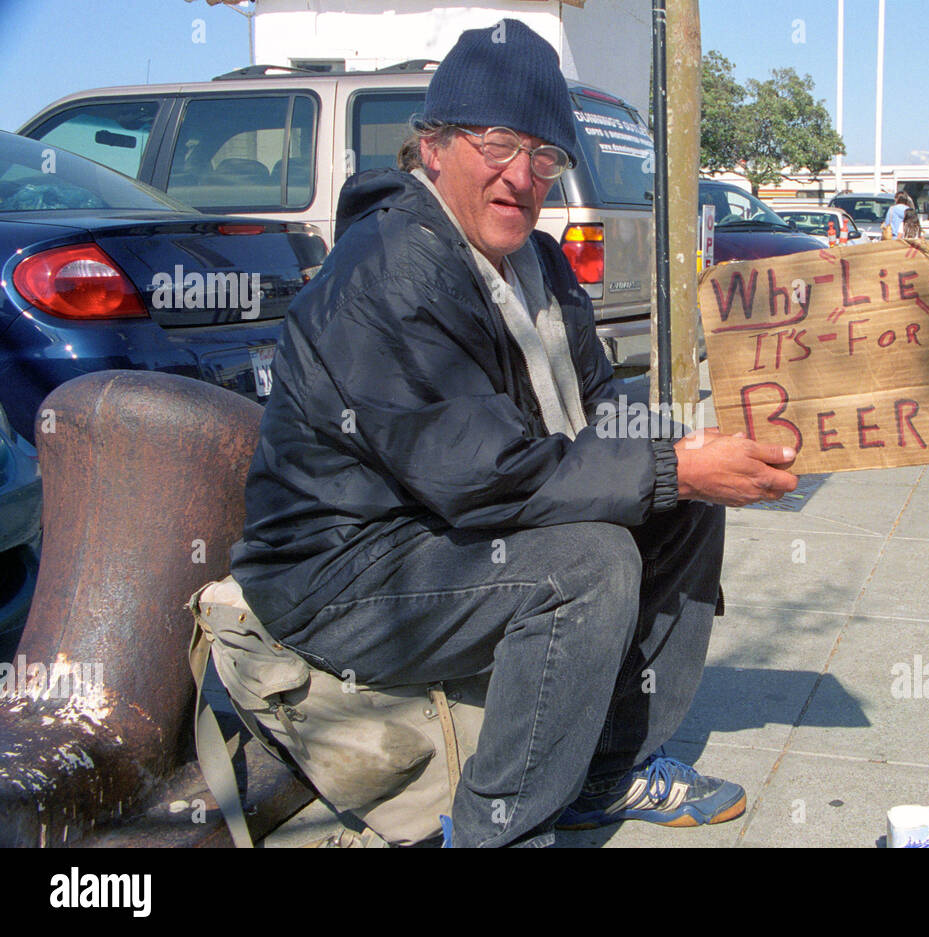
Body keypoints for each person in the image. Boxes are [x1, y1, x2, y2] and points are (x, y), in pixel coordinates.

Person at [228, 20, 798, 849]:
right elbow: (483, 474)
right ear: (433, 146)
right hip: (342, 565)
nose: (520, 176)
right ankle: (499, 829)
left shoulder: (540, 262)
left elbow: (606, 412)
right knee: (590, 564)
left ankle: (609, 769)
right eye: (496, 143)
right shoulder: (391, 270)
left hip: (443, 528)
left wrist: (718, 442)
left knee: (686, 505)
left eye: (545, 156)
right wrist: (676, 465)